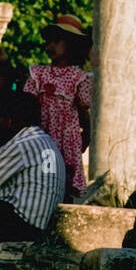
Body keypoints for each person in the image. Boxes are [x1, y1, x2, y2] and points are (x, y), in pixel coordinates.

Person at [23, 15, 94, 201]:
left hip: (67, 138)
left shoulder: (79, 77)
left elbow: (83, 112)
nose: (51, 46)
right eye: (49, 42)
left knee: (65, 181)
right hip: (42, 134)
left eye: (57, 41)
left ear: (71, 45)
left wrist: (85, 136)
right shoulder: (39, 73)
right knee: (41, 179)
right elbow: (26, 105)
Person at [0, 88, 64, 241]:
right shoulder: (43, 140)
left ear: (9, 120)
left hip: (22, 227)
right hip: (38, 225)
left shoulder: (22, 144)